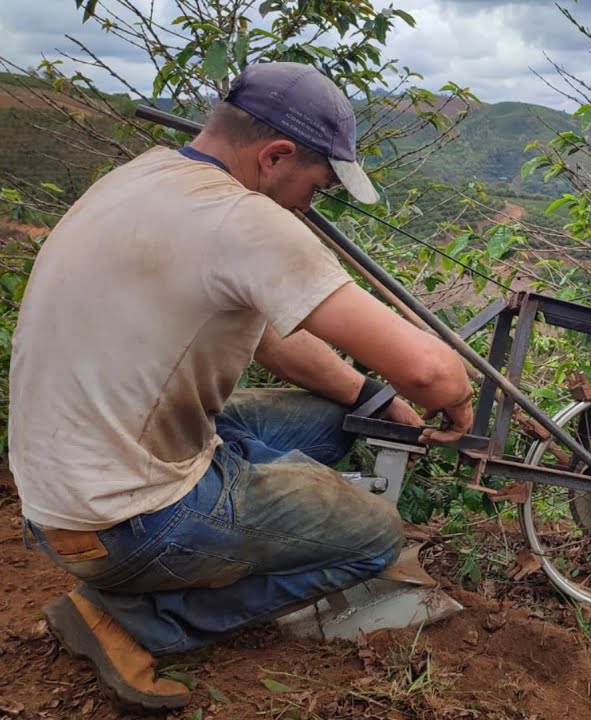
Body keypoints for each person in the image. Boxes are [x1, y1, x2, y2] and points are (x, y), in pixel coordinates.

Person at [7, 62, 474, 713]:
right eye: (319, 181)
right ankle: (138, 619)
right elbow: (433, 373)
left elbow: (273, 343)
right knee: (377, 536)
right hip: (126, 520)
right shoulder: (243, 220)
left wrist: (372, 398)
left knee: (338, 419)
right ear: (276, 155)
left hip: (73, 486)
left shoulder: (142, 177)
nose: (315, 199)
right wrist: (457, 396)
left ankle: (252, 497)